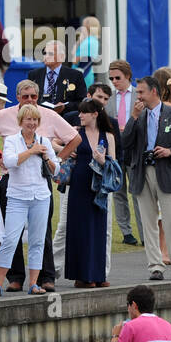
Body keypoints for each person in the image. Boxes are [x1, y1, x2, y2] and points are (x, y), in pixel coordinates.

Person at [121, 75, 171, 281]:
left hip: (168, 172)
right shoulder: (139, 115)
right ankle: (155, 266)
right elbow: (125, 142)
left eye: (141, 92)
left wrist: (170, 151)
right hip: (141, 172)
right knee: (149, 222)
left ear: (153, 92)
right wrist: (133, 118)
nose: (138, 96)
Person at [0, 104, 59, 296]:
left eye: (34, 120)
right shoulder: (12, 140)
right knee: (10, 239)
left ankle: (33, 283)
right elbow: (9, 161)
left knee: (37, 240)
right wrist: (31, 151)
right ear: (20, 121)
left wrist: (46, 157)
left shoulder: (44, 141)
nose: (31, 123)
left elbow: (57, 171)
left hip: (41, 195)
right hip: (17, 196)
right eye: (28, 119)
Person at [62, 98, 115, 288]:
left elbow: (114, 165)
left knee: (98, 230)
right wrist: (66, 150)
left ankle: (97, 274)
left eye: (84, 112)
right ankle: (82, 275)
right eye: (80, 112)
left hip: (99, 188)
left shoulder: (108, 136)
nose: (80, 115)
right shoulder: (75, 133)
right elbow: (55, 145)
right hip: (79, 184)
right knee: (79, 229)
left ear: (95, 114)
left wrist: (102, 160)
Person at [106, 60, 142, 247]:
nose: (114, 81)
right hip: (116, 150)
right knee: (118, 192)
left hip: (135, 149)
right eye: (111, 78)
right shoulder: (109, 98)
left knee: (137, 192)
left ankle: (144, 233)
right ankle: (126, 232)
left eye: (117, 78)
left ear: (127, 76)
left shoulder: (140, 95)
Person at [28, 40, 86, 116]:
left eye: (50, 53)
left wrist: (65, 106)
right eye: (45, 53)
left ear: (61, 57)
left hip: (64, 118)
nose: (46, 56)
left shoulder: (75, 75)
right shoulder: (34, 74)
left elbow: (82, 102)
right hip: (39, 117)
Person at [73, 15, 101, 84]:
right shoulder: (94, 40)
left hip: (82, 76)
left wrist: (78, 42)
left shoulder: (87, 42)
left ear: (87, 27)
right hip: (87, 74)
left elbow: (74, 61)